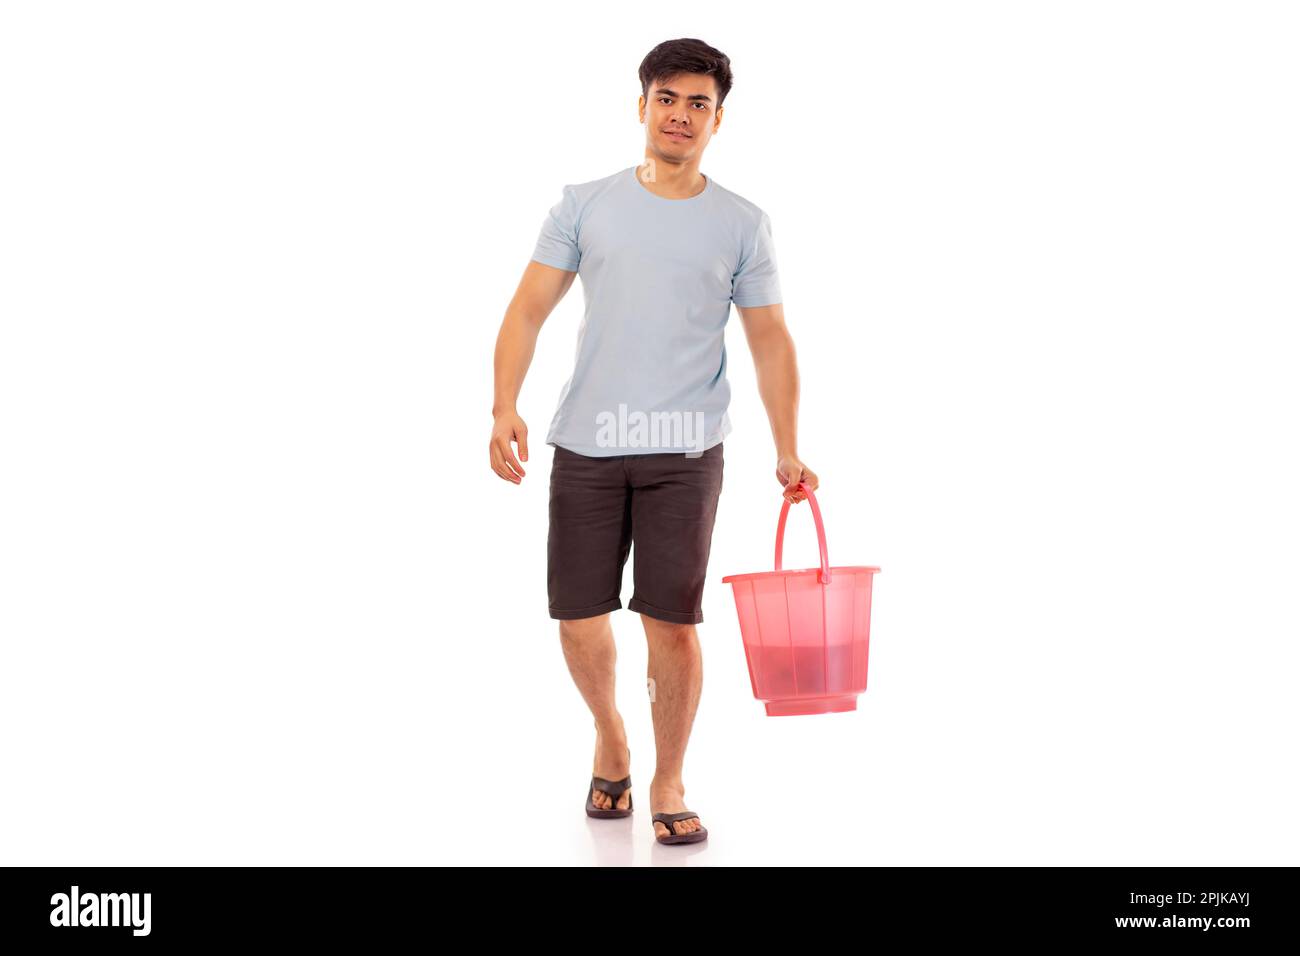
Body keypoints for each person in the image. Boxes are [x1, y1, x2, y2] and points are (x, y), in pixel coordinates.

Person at [489, 37, 818, 846]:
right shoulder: (585, 203)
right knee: (578, 616)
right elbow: (529, 306)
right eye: (667, 98)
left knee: (672, 621)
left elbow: (771, 340)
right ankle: (610, 734)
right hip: (586, 446)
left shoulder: (742, 223)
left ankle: (668, 776)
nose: (680, 114)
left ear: (718, 119)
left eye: (698, 103)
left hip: (685, 451)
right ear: (642, 106)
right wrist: (504, 405)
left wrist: (788, 445)